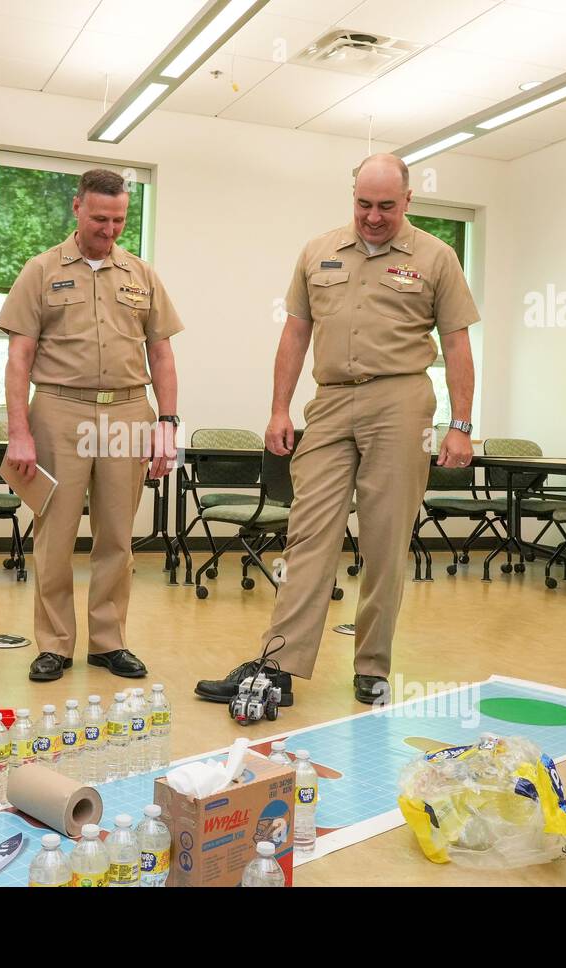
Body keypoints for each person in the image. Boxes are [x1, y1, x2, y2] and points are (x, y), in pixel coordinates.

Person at [196, 154, 478, 708]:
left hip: (400, 399)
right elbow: (295, 335)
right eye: (364, 204)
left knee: (384, 537)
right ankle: (277, 665)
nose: (373, 217)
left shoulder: (436, 257)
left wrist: (461, 424)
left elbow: (458, 344)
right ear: (353, 197)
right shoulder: (318, 251)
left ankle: (372, 666)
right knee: (307, 532)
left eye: (386, 207)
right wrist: (280, 409)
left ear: (408, 201)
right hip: (328, 402)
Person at [0, 168, 183, 682]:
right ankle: (55, 644)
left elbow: (162, 354)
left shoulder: (142, 276)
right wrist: (19, 431)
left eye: (120, 219)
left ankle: (108, 641)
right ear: (76, 208)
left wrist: (168, 424)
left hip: (128, 410)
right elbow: (20, 357)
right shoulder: (40, 270)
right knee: (53, 534)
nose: (109, 229)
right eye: (100, 218)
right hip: (59, 408)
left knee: (117, 537)